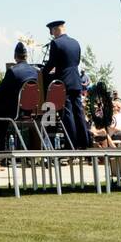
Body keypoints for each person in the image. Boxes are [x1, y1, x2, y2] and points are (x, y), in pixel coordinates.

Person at [0, 42, 40, 150]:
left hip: (14, 110)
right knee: (1, 113)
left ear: (15, 56)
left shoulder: (13, 71)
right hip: (29, 110)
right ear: (26, 56)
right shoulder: (34, 71)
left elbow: (0, 92)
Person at [41, 20, 88, 149]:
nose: (52, 35)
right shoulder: (75, 42)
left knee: (67, 113)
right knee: (79, 112)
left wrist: (42, 72)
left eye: (52, 32)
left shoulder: (56, 43)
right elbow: (76, 61)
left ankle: (71, 144)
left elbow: (52, 63)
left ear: (55, 30)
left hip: (63, 82)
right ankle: (84, 142)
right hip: (76, 81)